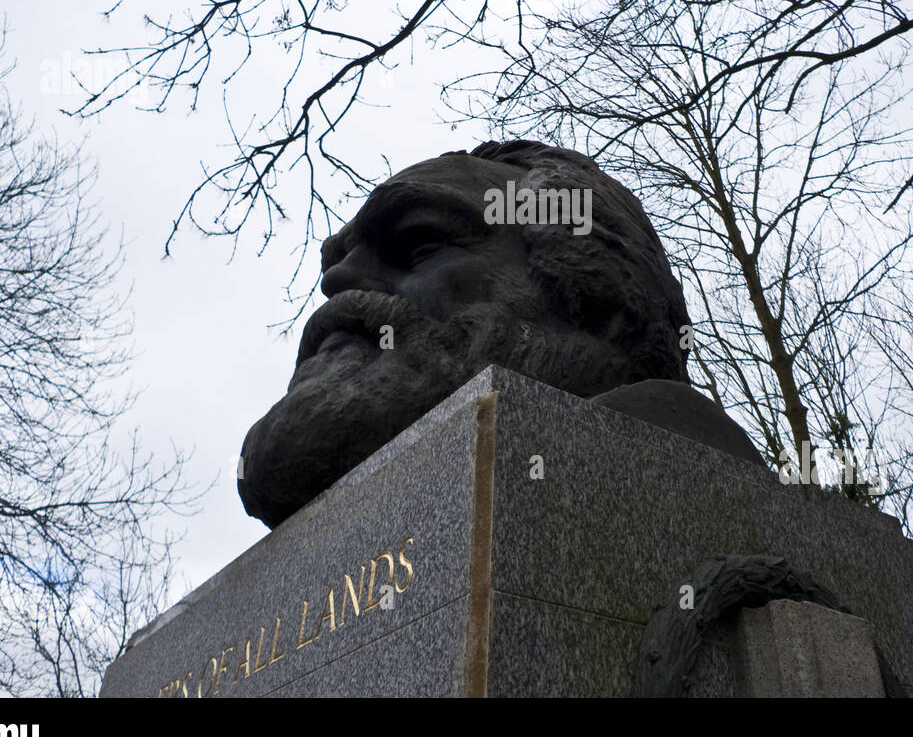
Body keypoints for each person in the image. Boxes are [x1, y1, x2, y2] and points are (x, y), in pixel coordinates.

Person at [238, 140, 761, 528]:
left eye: (418, 244)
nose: (336, 280)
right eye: (338, 259)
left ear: (594, 301)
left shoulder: (694, 486)